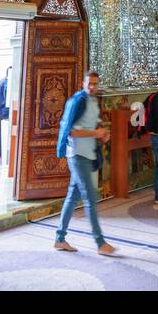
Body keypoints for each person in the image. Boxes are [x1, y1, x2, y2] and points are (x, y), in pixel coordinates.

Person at [54, 70, 116, 254]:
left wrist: (101, 135)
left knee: (73, 197)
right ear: (83, 83)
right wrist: (96, 133)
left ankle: (59, 239)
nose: (92, 87)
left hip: (87, 153)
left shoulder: (93, 101)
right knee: (90, 197)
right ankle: (100, 243)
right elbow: (71, 131)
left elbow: (92, 126)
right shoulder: (77, 101)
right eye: (89, 83)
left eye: (95, 84)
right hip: (77, 154)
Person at [0, 68, 10, 158]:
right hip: (6, 109)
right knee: (6, 131)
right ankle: (2, 151)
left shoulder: (1, 81)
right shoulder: (7, 83)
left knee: (1, 131)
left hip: (1, 108)